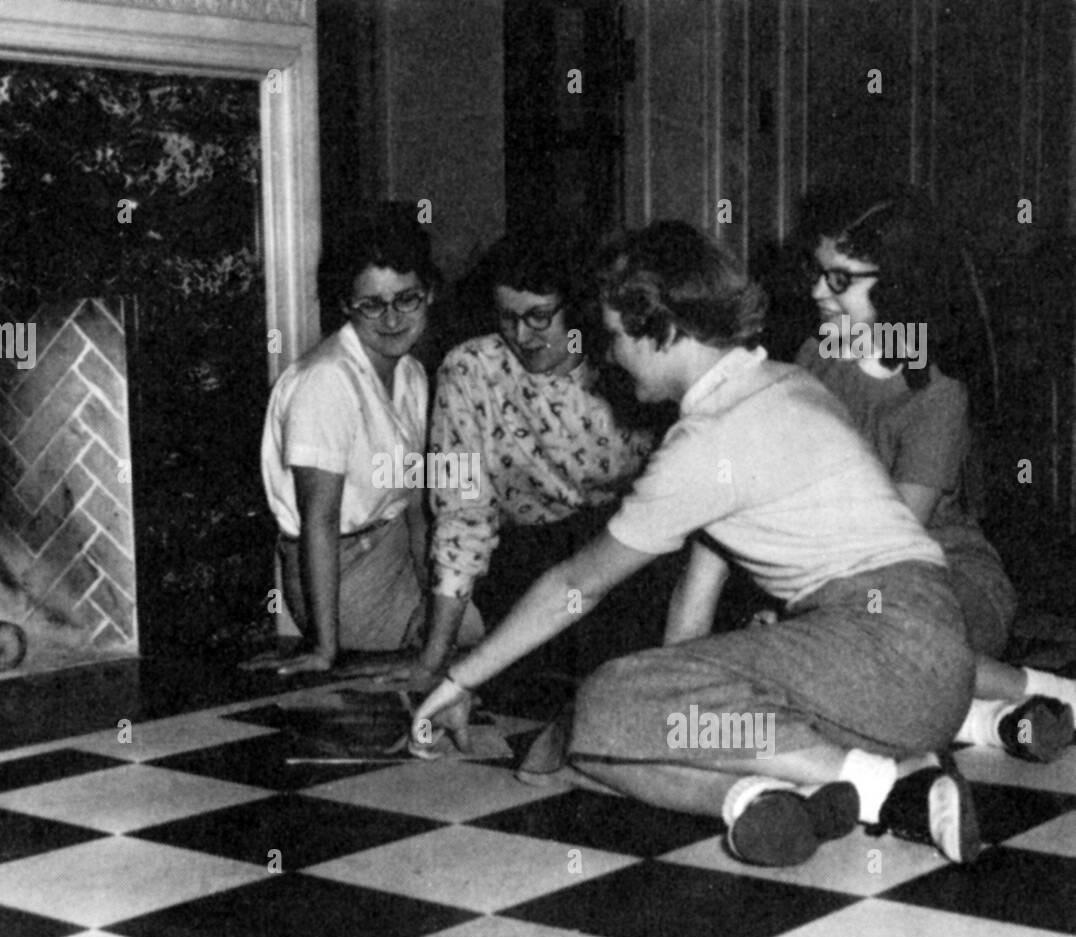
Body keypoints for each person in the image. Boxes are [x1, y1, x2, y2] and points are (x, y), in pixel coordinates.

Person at [410, 221, 983, 868]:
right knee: (597, 742)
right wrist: (656, 704)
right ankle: (763, 798)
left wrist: (458, 679)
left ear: (661, 331)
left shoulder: (706, 441)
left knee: (602, 700)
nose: (611, 358)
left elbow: (577, 586)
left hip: (884, 653)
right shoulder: (786, 385)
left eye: (617, 338)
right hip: (929, 659)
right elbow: (694, 602)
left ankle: (890, 788)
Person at [792, 184, 1075, 762]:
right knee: (838, 662)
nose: (818, 291)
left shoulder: (935, 393)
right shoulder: (814, 357)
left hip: (942, 576)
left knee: (875, 645)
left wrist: (806, 601)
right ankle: (990, 722)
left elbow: (890, 541)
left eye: (841, 279)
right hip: (838, 579)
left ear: (900, 284)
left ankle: (1056, 692)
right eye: (819, 273)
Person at [350, 225, 660, 691]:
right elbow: (463, 515)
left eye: (539, 317)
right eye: (507, 317)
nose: (522, 336)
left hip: (626, 558)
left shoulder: (626, 364)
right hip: (523, 563)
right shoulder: (470, 370)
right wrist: (434, 659)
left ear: (575, 308)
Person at [251, 206, 479, 675]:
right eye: (372, 305)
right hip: (343, 569)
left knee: (486, 619)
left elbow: (415, 508)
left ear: (429, 294)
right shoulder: (326, 382)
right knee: (477, 643)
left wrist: (432, 598)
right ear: (345, 306)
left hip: (392, 545)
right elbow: (319, 519)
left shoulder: (413, 374)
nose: (393, 319)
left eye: (408, 299)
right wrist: (324, 649)